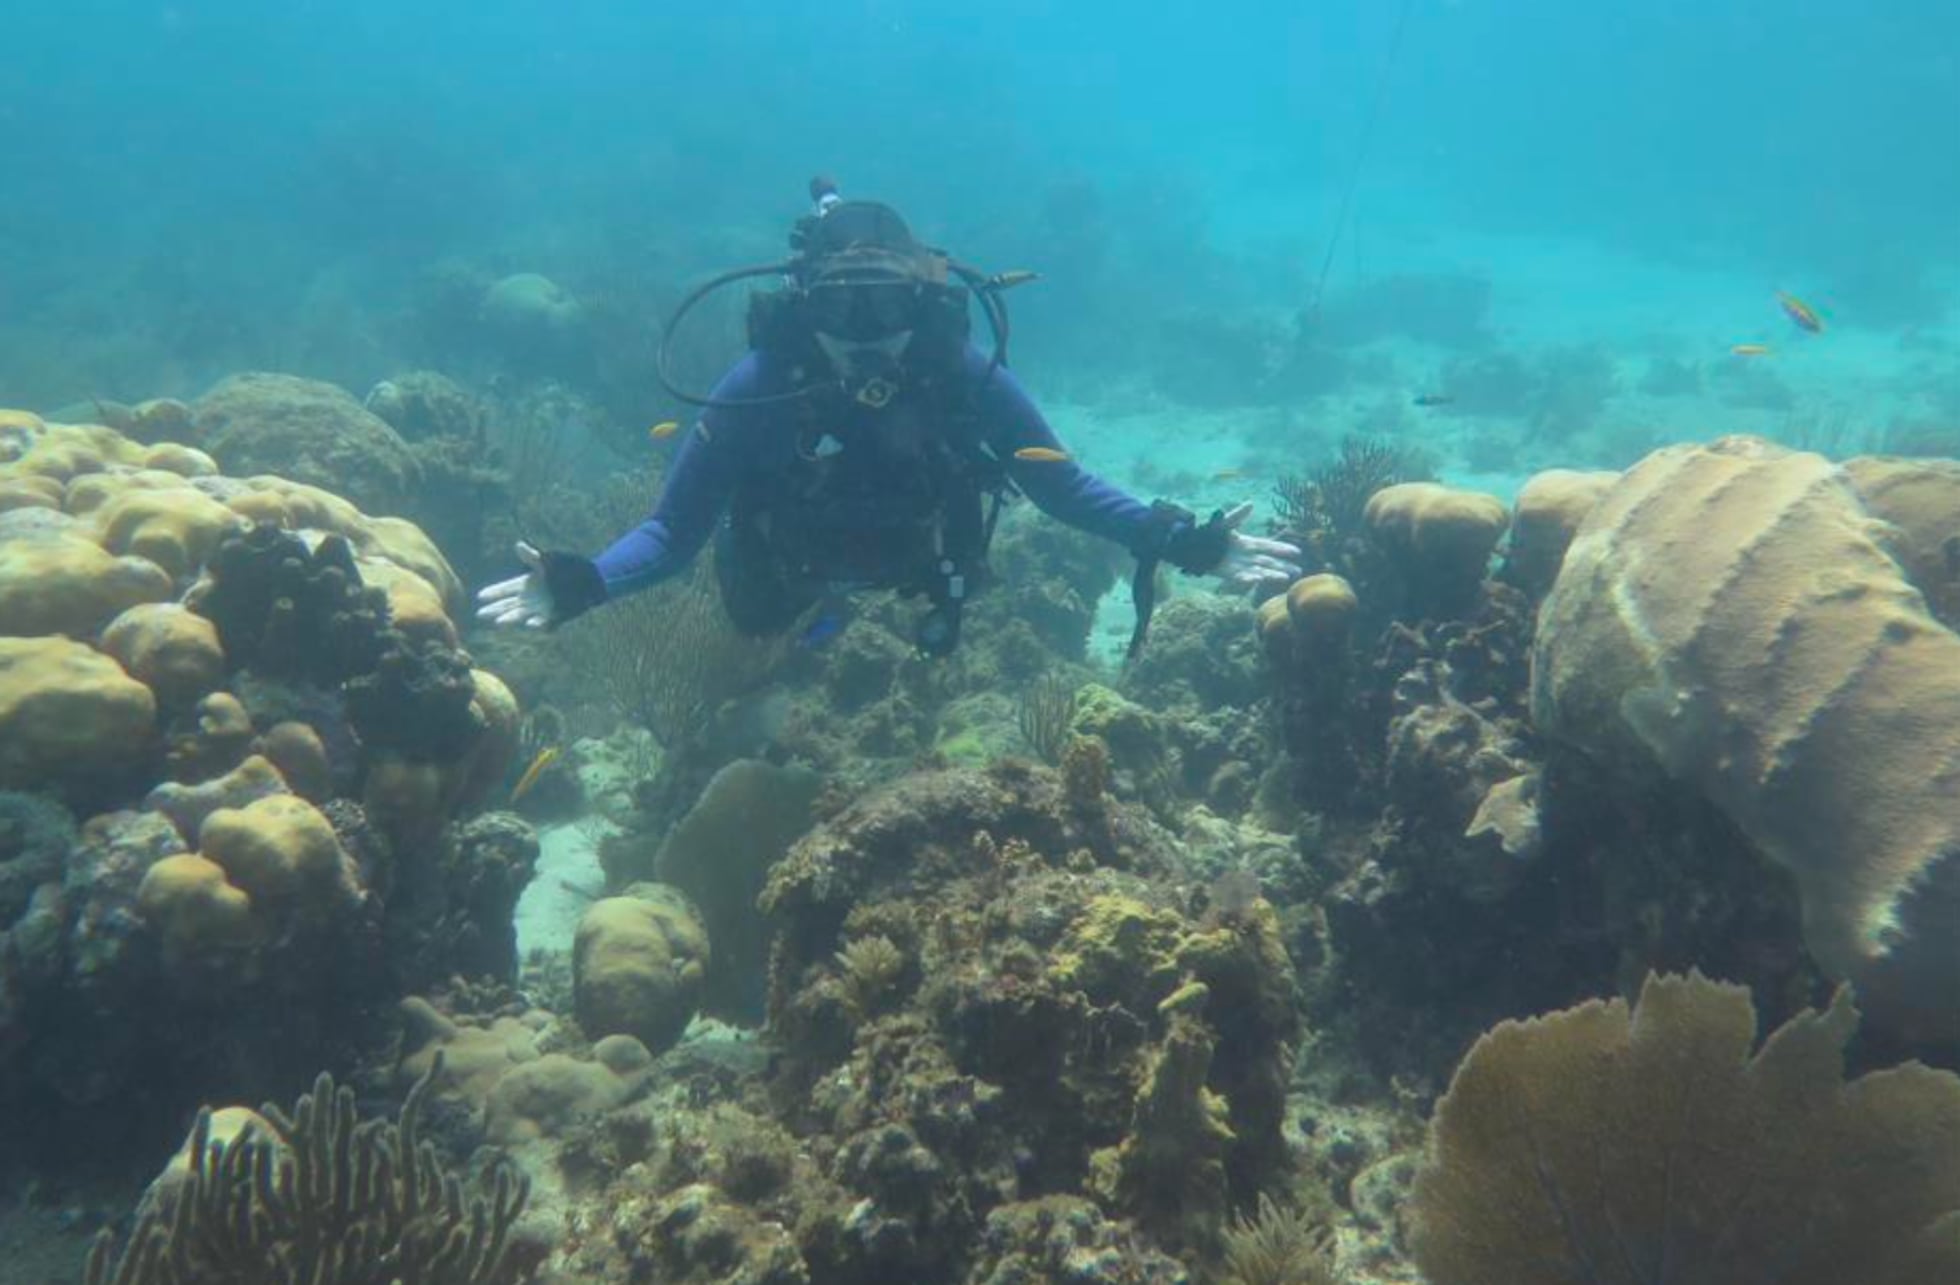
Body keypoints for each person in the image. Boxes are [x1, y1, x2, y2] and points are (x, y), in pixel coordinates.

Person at [477, 180, 1301, 657]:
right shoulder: (761, 385)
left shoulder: (958, 374)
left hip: (922, 566)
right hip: (783, 572)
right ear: (807, 306)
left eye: (888, 307)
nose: (867, 335)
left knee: (941, 616)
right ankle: (823, 620)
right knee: (759, 624)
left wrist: (1177, 536)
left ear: (923, 301)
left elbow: (1062, 485)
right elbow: (671, 532)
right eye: (843, 308)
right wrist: (589, 580)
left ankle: (851, 613)